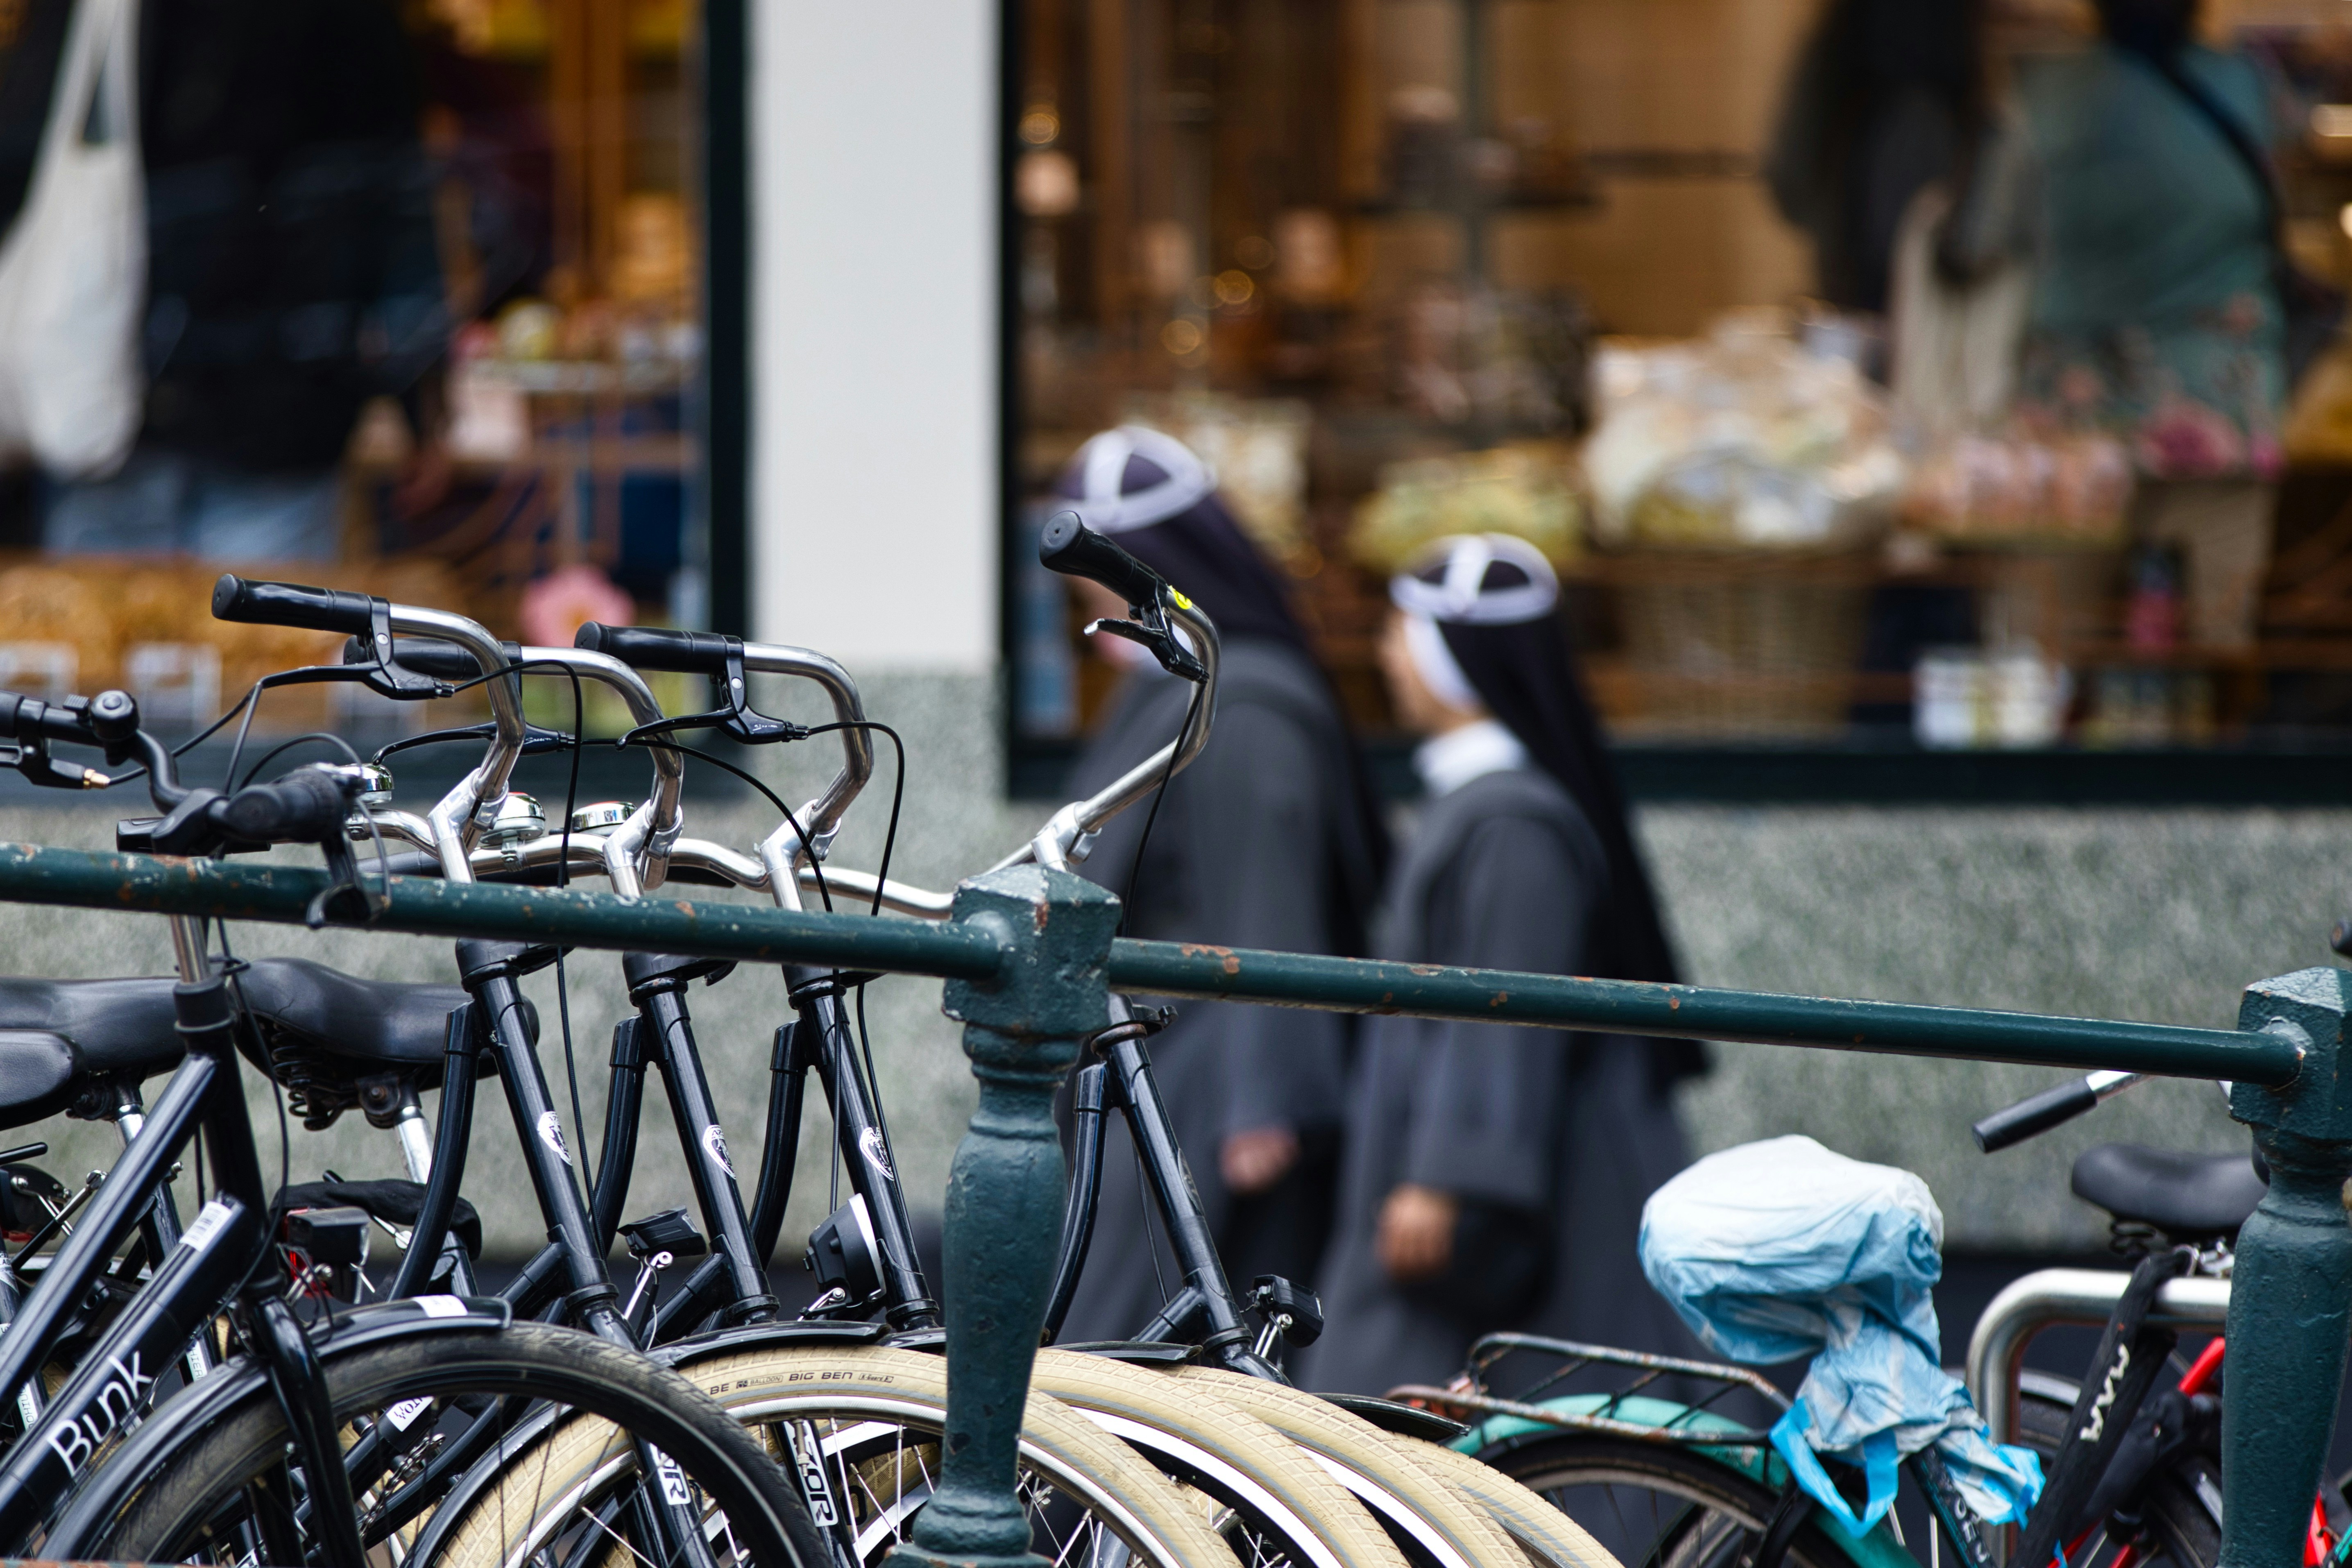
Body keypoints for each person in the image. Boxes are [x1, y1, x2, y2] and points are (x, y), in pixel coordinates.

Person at [1301, 534, 1702, 1396]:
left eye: (1401, 632)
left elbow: (1504, 1009)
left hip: (1503, 1185)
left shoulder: (1514, 824)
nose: (1384, 654)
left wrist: (1448, 1177)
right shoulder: (1488, 806)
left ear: (1454, 654)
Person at [1048, 425, 1386, 1343]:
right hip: (1166, 1054)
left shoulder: (1244, 703)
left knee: (1142, 1334)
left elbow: (1266, 900)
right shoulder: (1194, 682)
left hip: (1207, 1075)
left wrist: (1263, 1099)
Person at [42, 0, 447, 560]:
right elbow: (392, 191)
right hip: (210, 399)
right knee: (261, 636)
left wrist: (419, 387)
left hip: (137, 386)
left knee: (130, 635)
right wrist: (421, 397)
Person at [2003, 0, 2286, 649]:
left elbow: (1987, 236)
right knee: (2215, 645)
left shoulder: (2047, 93)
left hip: (2073, 413)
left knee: (2053, 648)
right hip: (2220, 399)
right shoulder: (2245, 83)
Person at [1766, 0, 1985, 314]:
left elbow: (1788, 175)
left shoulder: (1846, 48)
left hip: (1858, 265)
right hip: (1897, 283)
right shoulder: (1922, 106)